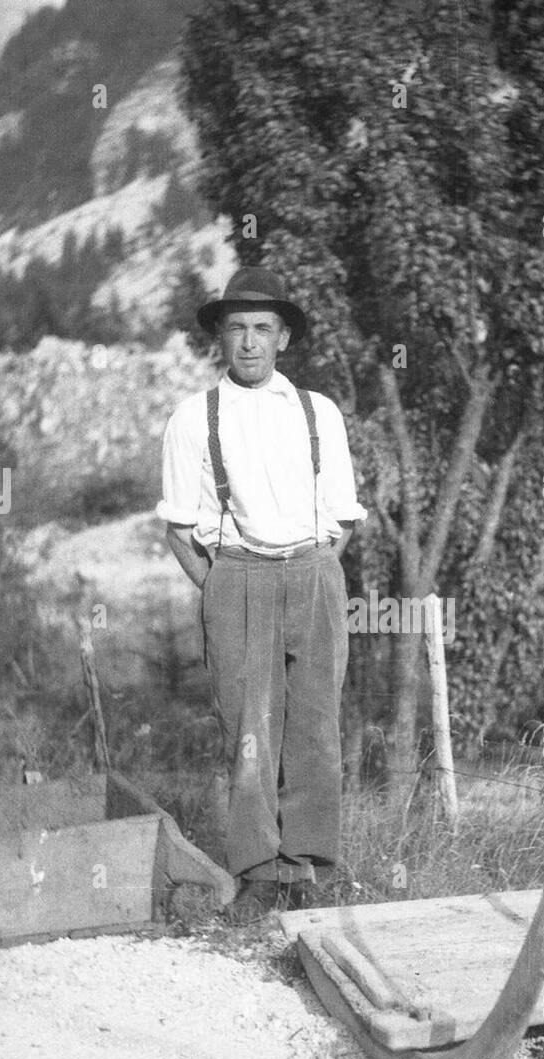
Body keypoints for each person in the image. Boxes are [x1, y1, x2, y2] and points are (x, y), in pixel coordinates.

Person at [158, 268, 367, 920]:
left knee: (315, 728)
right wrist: (222, 583)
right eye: (238, 329)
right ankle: (259, 872)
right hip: (238, 575)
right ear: (221, 338)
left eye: (262, 329)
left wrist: (315, 571)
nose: (250, 343)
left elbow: (344, 517)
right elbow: (177, 526)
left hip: (313, 570)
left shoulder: (318, 412)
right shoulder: (195, 418)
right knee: (249, 730)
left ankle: (306, 869)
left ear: (282, 338)